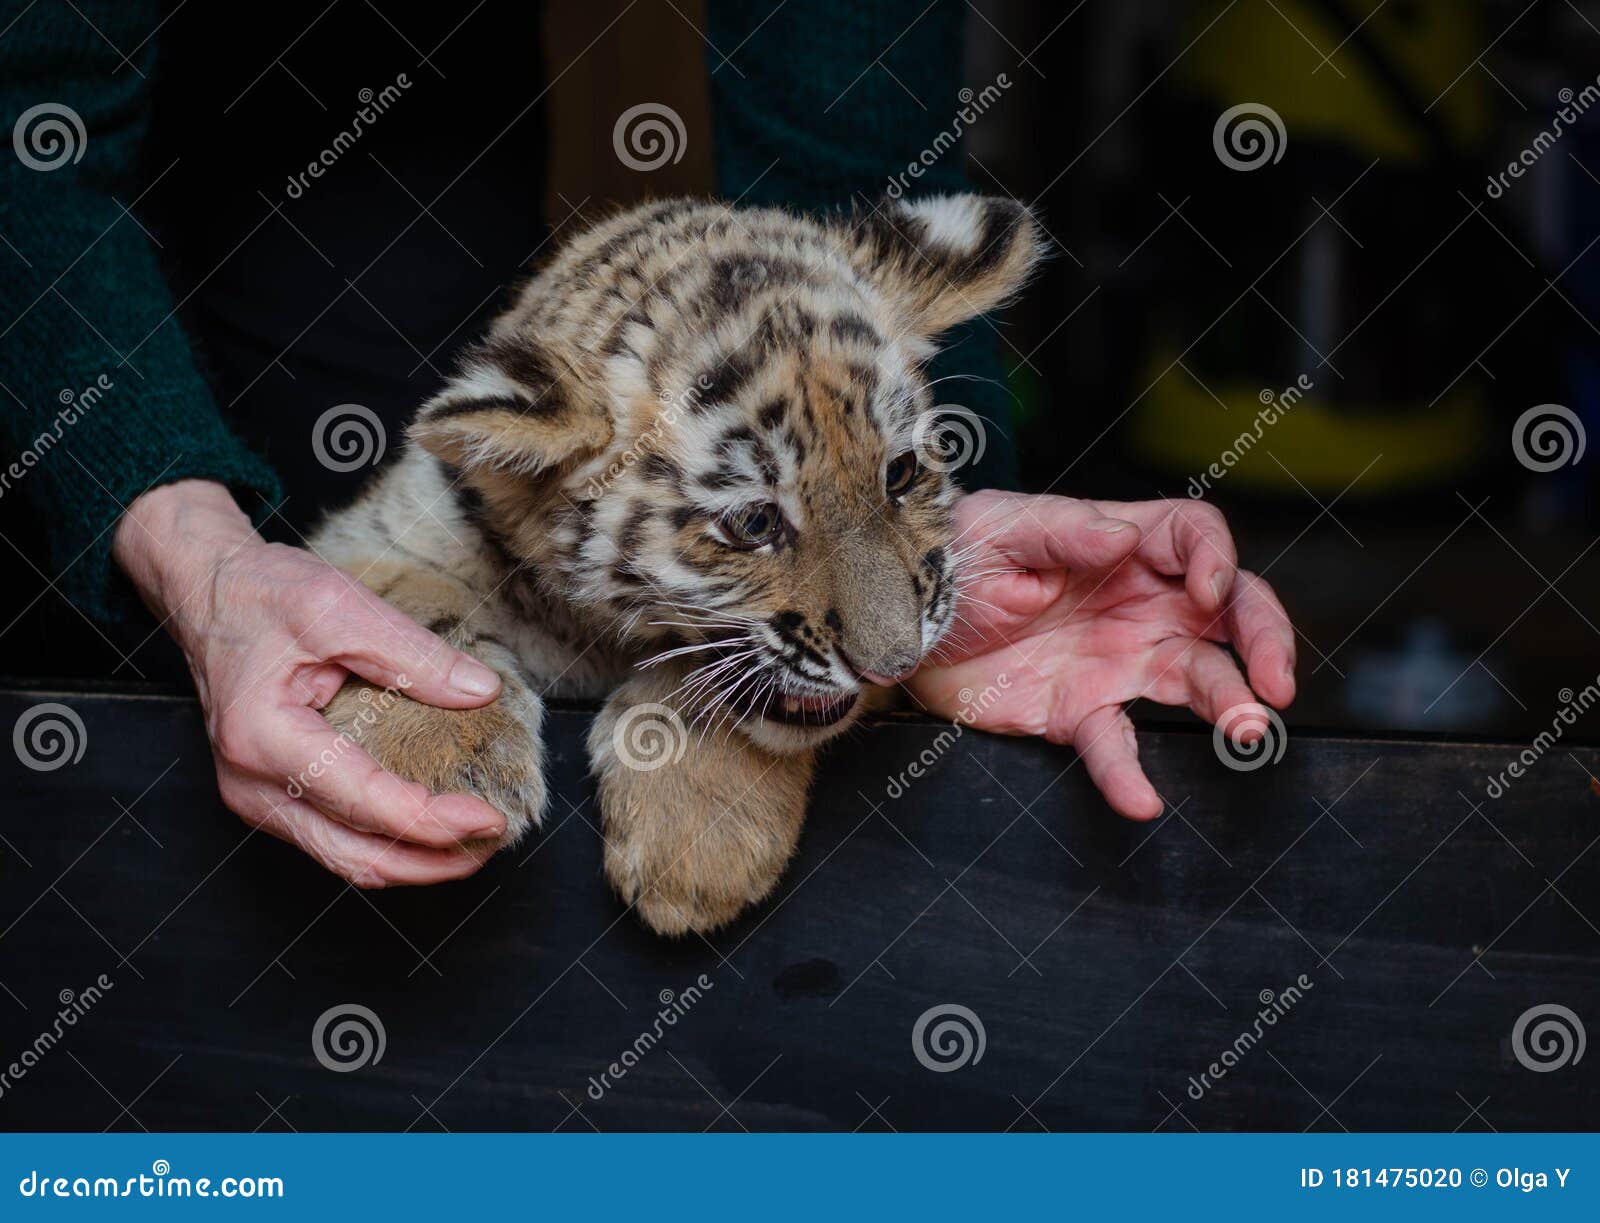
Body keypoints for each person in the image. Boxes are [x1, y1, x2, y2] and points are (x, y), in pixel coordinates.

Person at [2, 1, 1294, 886]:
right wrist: (201, 562)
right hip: (117, 93)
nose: (885, 631)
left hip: (432, 57)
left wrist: (932, 561)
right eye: (750, 524)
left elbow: (850, 129)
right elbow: (24, 140)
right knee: (253, 645)